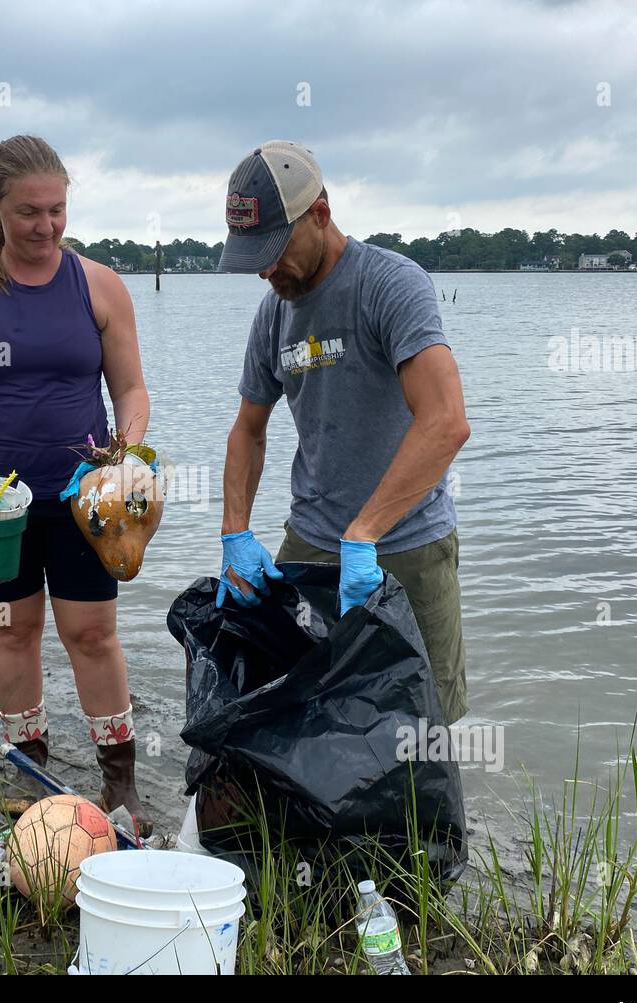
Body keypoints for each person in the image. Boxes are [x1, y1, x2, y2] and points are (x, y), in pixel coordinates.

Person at [0, 134, 154, 832]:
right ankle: (32, 767)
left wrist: (128, 448)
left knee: (91, 633)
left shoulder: (99, 284)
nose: (46, 226)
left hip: (85, 497)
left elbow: (132, 388)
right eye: (28, 211)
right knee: (14, 629)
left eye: (57, 209)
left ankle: (121, 778)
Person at [215, 141, 472, 725]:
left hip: (408, 547)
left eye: (275, 250)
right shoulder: (273, 313)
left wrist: (365, 535)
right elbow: (248, 430)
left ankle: (415, 823)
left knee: (420, 723)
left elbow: (446, 421)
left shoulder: (390, 285)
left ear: (321, 215)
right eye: (255, 255)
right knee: (299, 712)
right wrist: (235, 536)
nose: (265, 269)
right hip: (310, 545)